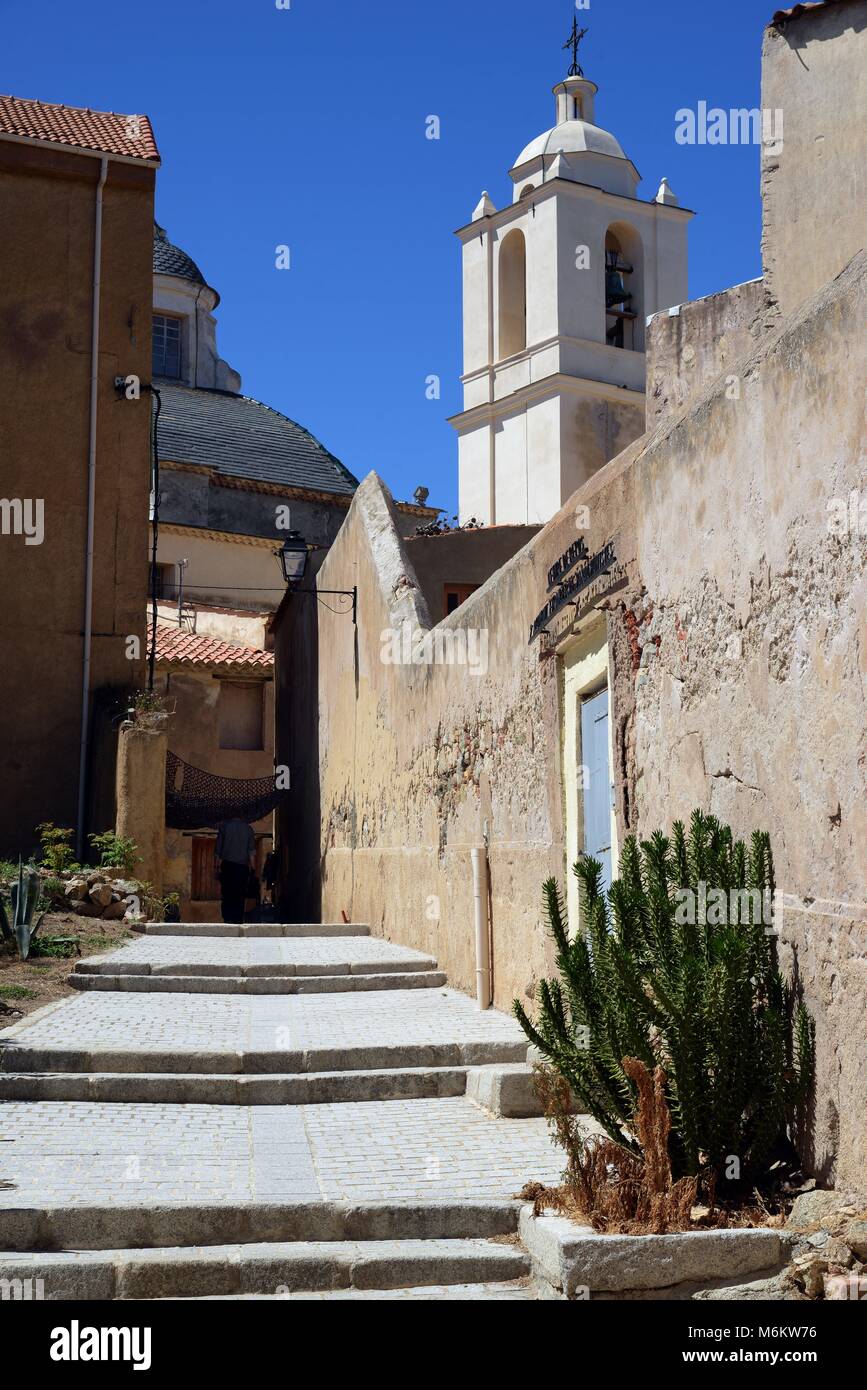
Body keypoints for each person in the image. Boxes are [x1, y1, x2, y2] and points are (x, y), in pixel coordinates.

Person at [215, 817, 255, 925]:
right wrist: (253, 868)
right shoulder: (248, 829)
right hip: (242, 868)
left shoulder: (224, 828)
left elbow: (218, 851)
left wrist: (217, 867)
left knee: (227, 894)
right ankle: (238, 920)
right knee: (240, 895)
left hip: (227, 867)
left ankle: (227, 919)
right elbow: (251, 852)